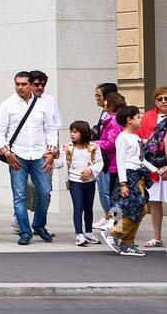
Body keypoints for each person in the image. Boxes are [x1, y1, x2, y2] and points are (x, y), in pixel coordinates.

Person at [0, 70, 58, 245]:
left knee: (45, 192)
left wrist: (51, 152)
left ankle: (38, 224)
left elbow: (51, 130)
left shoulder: (44, 105)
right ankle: (24, 231)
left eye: (24, 84)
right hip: (17, 155)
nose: (20, 87)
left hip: (40, 155)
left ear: (31, 85)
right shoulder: (7, 104)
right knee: (19, 196)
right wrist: (7, 153)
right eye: (17, 84)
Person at [103, 105, 151, 256]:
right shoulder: (122, 137)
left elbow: (140, 159)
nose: (141, 118)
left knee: (132, 208)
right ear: (129, 120)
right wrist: (123, 183)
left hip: (137, 174)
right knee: (138, 208)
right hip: (129, 176)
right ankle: (114, 232)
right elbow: (121, 161)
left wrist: (156, 170)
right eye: (138, 116)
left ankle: (127, 242)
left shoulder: (135, 138)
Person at [56, 121, 103, 246]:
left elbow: (99, 163)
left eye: (75, 132)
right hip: (75, 181)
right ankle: (79, 234)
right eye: (71, 131)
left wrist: (90, 171)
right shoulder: (67, 147)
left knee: (89, 207)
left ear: (84, 133)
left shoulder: (93, 147)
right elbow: (61, 163)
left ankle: (88, 232)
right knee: (78, 207)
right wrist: (50, 161)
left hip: (90, 181)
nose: (72, 134)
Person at [94, 91, 127, 231]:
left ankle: (116, 222)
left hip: (112, 163)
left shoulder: (114, 121)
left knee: (113, 195)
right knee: (113, 195)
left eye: (106, 100)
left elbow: (110, 143)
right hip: (112, 163)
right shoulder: (113, 120)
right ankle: (113, 220)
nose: (104, 103)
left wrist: (93, 144)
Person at [140, 87, 167, 247]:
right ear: (155, 100)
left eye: (166, 98)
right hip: (154, 167)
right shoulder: (148, 117)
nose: (163, 101)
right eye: (160, 98)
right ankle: (157, 237)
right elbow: (140, 138)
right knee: (155, 202)